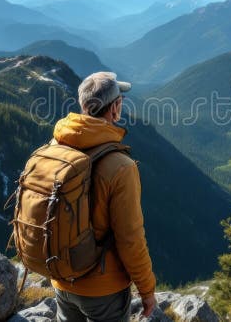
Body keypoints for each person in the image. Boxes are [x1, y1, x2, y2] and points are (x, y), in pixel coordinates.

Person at [50, 71, 157, 322]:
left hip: (61, 279)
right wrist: (147, 290)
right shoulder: (121, 166)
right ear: (116, 108)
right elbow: (130, 239)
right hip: (103, 290)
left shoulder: (55, 147)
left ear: (83, 106)